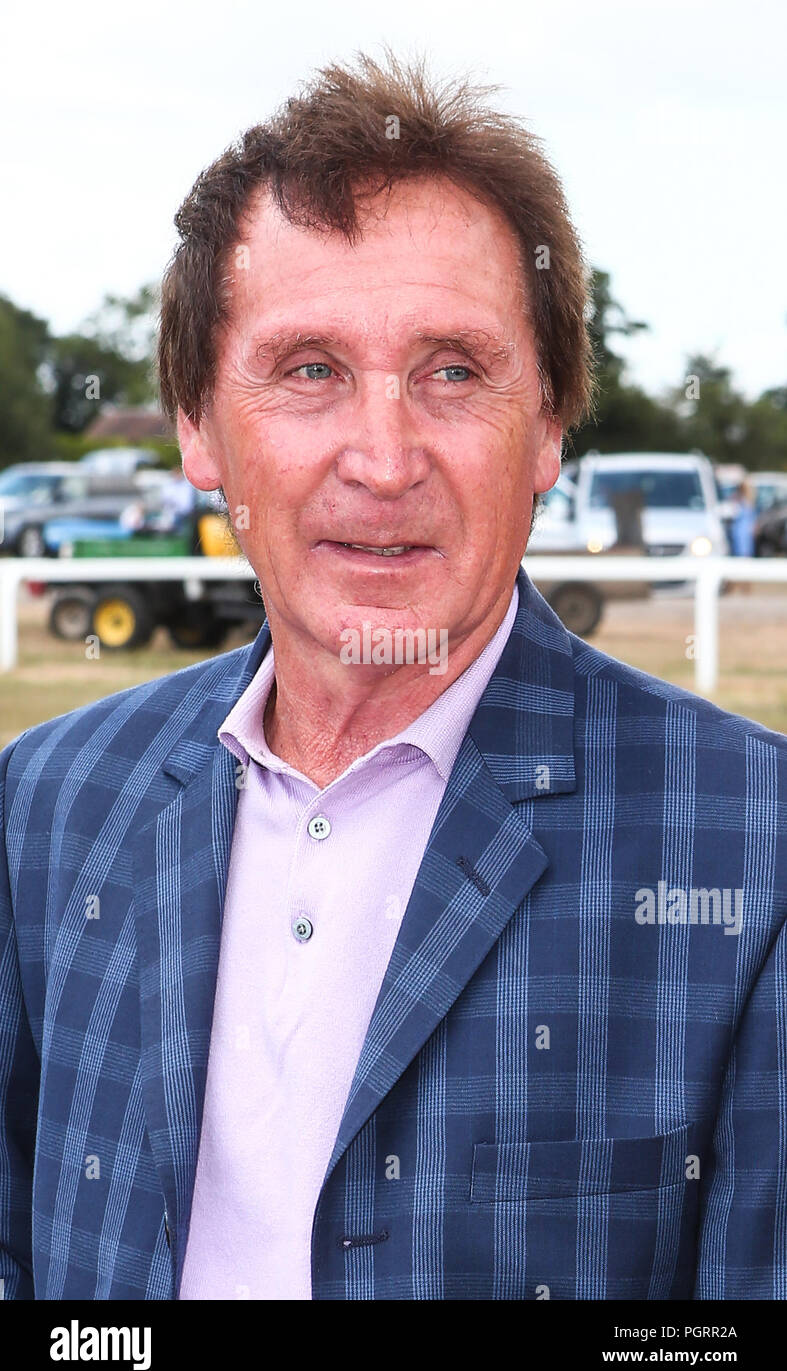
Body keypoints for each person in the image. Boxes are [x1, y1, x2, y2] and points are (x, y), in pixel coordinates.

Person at [1, 52, 785, 1302]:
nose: (381, 457)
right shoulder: (43, 803)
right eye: (309, 368)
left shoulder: (753, 846)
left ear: (547, 427)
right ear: (198, 425)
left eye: (453, 371)